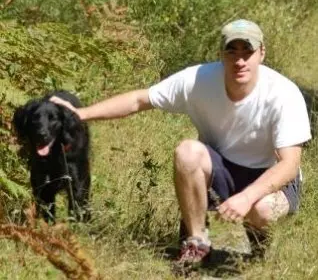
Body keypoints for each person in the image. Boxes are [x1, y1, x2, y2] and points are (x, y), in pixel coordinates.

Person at [50, 19, 311, 266]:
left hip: (271, 179)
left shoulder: (283, 93)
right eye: (232, 51)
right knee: (187, 152)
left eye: (248, 51)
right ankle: (196, 243)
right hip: (224, 170)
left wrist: (246, 198)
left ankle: (258, 244)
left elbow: (289, 165)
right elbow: (139, 101)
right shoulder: (199, 79)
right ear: (221, 54)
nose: (239, 60)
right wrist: (81, 114)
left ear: (261, 54)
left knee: (262, 210)